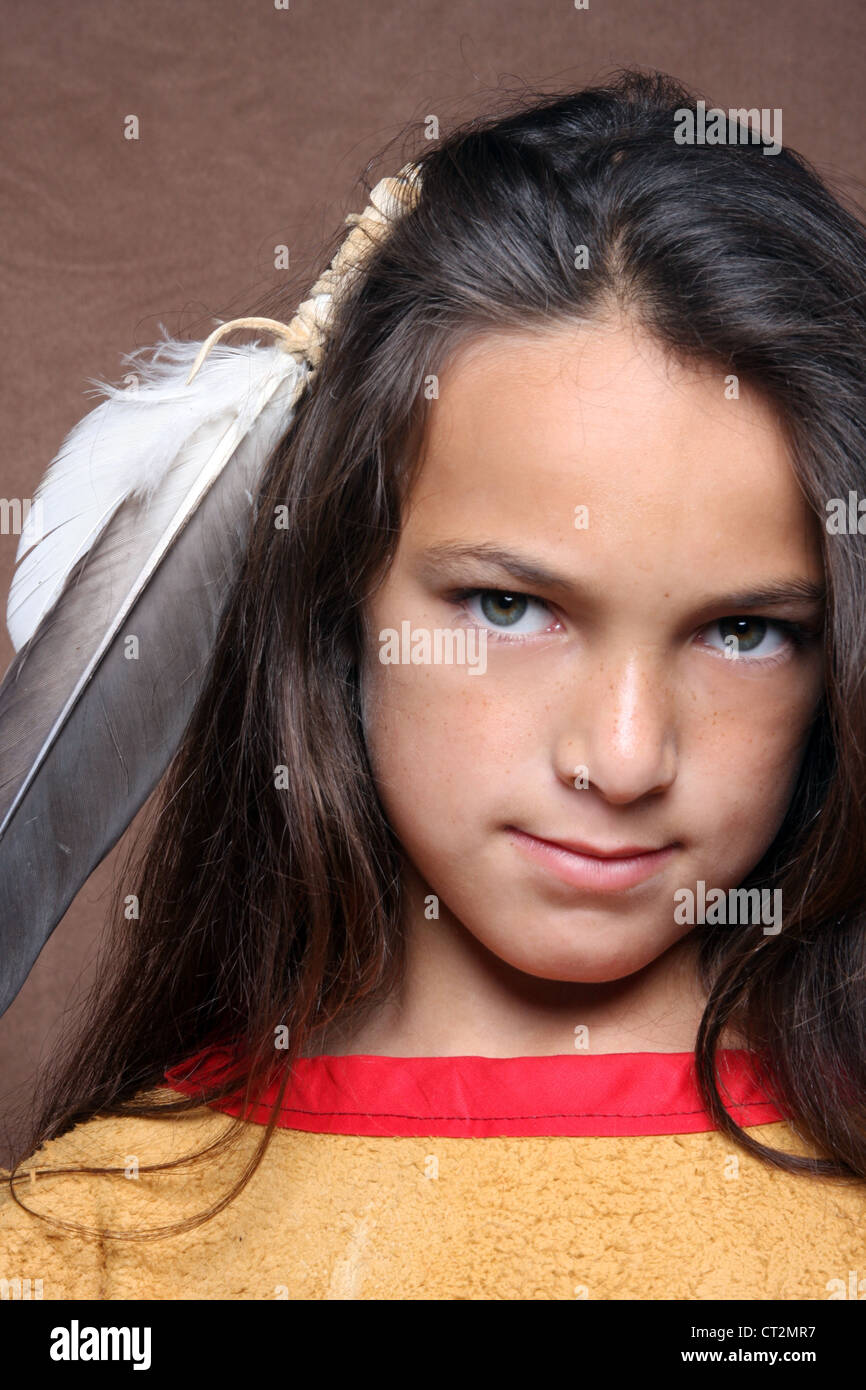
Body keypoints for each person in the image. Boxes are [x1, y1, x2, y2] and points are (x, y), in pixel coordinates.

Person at [2, 67, 866, 1301]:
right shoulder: (79, 1255)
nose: (621, 759)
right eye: (509, 607)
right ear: (337, 596)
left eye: (743, 631)